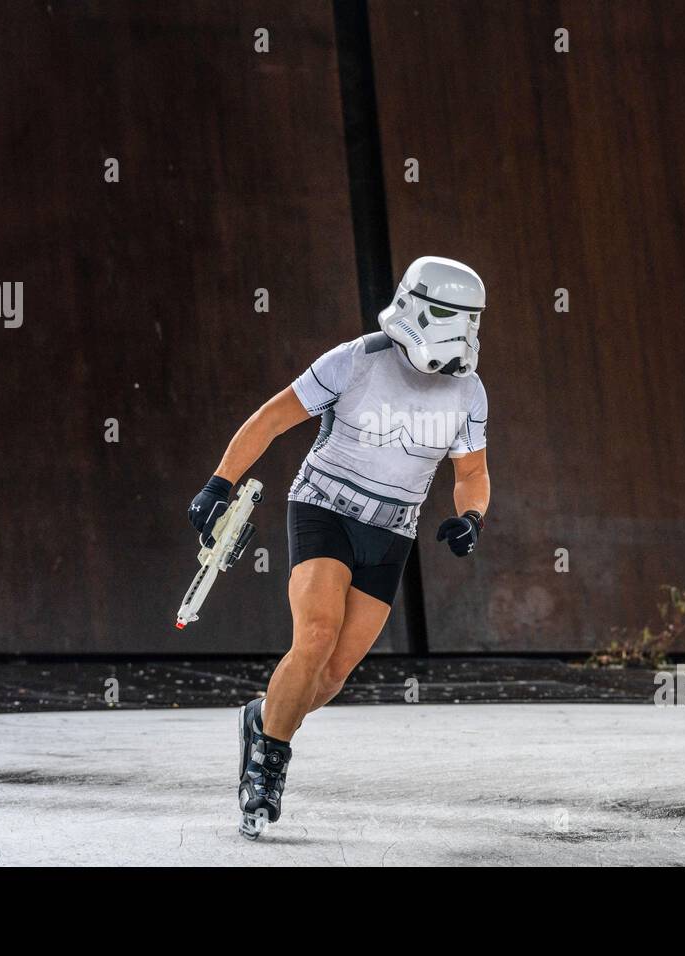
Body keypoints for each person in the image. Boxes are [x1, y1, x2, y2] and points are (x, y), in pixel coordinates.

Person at [188, 256, 491, 839]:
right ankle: (267, 768)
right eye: (454, 316)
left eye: (473, 319)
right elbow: (272, 419)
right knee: (317, 635)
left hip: (391, 531)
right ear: (420, 309)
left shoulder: (469, 392)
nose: (466, 332)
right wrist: (218, 484)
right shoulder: (357, 359)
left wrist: (471, 518)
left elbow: (472, 473)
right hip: (324, 508)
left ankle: (263, 718)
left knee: (329, 676)